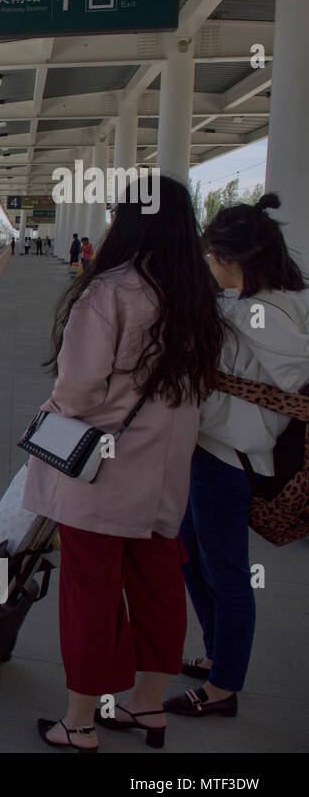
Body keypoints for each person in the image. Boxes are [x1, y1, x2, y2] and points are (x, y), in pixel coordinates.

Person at [25, 175, 226, 751]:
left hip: (101, 474)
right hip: (165, 480)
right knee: (161, 589)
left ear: (130, 221)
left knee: (91, 591)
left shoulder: (109, 291)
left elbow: (79, 394)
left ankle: (81, 722)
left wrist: (53, 411)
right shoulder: (199, 298)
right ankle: (147, 709)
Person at [166, 194, 309, 720]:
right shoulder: (266, 304)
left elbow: (293, 371)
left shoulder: (261, 312)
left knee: (226, 572)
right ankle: (216, 654)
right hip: (214, 453)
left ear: (236, 259)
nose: (208, 266)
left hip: (230, 460)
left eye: (213, 257)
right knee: (192, 554)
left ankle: (223, 687)